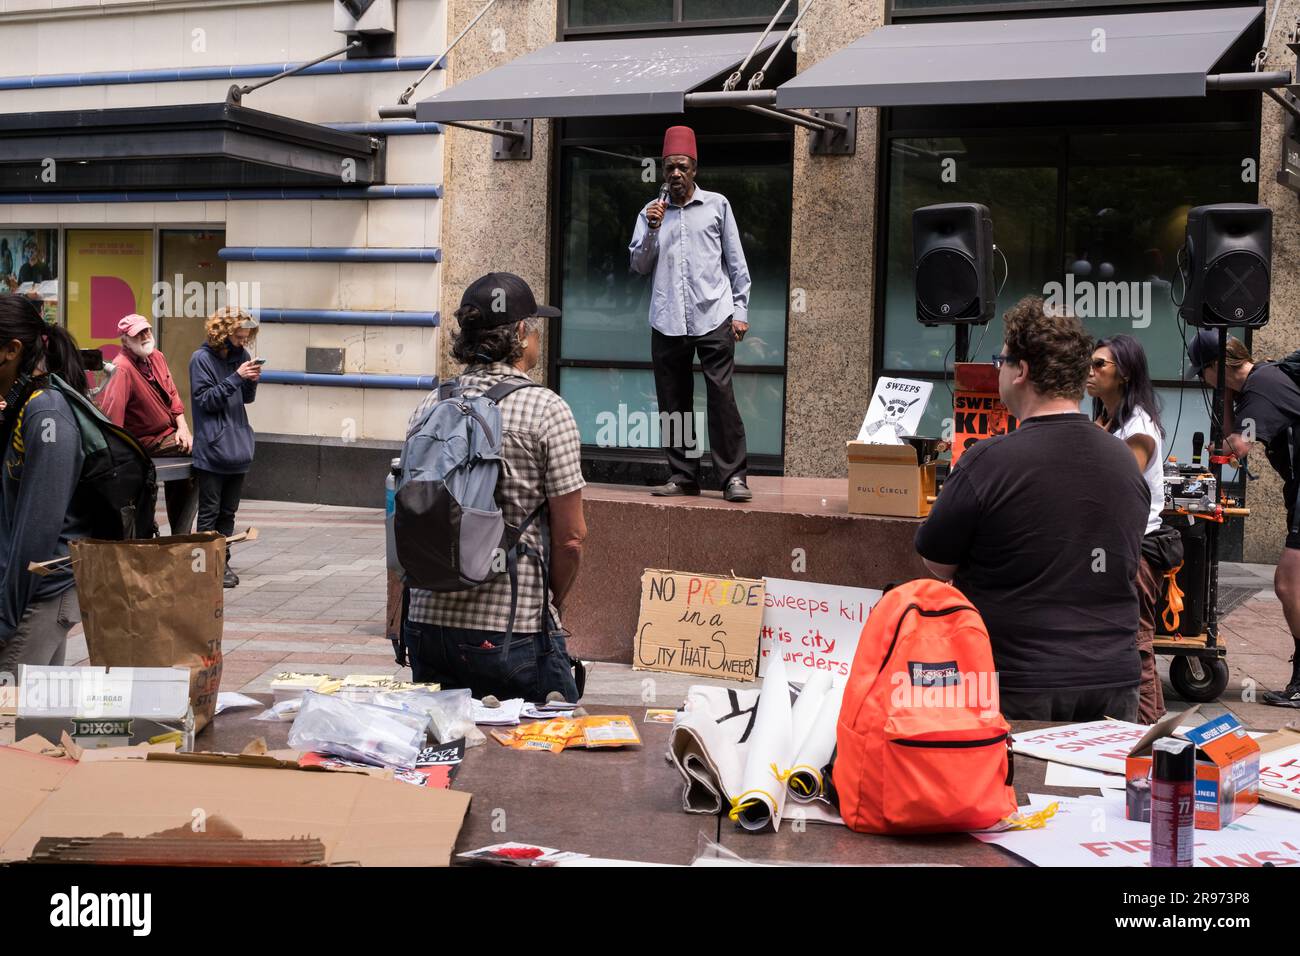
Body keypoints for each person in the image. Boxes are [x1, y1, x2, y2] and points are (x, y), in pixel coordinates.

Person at [914, 296, 1148, 721]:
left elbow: (937, 562)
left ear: (1020, 370)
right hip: (1115, 679)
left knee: (1013, 789)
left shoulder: (986, 461)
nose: (999, 369)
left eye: (1001, 360)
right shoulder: (1123, 461)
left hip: (1016, 681)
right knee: (1102, 789)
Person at [401, 273, 587, 702]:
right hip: (510, 630)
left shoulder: (431, 404)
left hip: (426, 623)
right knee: (540, 755)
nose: (538, 334)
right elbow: (572, 538)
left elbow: (408, 509)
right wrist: (551, 601)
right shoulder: (546, 408)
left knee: (447, 752)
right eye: (535, 325)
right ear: (521, 334)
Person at [629, 125, 753, 503]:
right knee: (673, 400)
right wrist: (651, 229)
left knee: (721, 396)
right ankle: (683, 476)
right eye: (669, 168)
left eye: (682, 167)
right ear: (663, 171)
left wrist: (741, 309)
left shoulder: (717, 205)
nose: (675, 175)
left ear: (694, 168)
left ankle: (732, 478)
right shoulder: (651, 213)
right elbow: (638, 264)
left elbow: (736, 263)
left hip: (713, 314)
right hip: (667, 319)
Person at [1189, 329, 1300, 707]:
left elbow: (1236, 449)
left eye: (1203, 373)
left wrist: (1227, 397)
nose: (1202, 381)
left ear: (1217, 368)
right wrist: (1228, 395)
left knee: (1288, 584)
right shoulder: (1259, 383)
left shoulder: (1263, 385)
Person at [0, 294, 91, 671]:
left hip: (36, 597)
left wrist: (5, 619)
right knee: (34, 724)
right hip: (30, 595)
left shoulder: (47, 411)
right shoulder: (23, 405)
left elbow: (38, 527)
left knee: (8, 721)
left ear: (10, 349)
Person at [1086, 334, 1169, 722]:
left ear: (1124, 374)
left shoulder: (1138, 427)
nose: (1090, 370)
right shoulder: (1109, 420)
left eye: (1100, 364)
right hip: (1115, 546)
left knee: (1137, 643)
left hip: (1135, 549)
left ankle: (1150, 730)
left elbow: (1120, 485)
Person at [97, 314, 198, 535]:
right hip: (146, 442)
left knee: (187, 473)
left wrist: (183, 428)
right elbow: (113, 420)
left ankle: (181, 536)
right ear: (125, 340)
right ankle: (185, 533)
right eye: (138, 334)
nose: (145, 336)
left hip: (170, 434)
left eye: (147, 331)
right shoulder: (121, 369)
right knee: (206, 451)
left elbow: (173, 394)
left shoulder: (157, 357)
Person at [190, 307, 259, 589]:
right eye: (239, 337)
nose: (244, 342)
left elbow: (245, 399)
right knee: (210, 511)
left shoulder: (240, 357)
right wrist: (236, 377)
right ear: (224, 333)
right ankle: (207, 566)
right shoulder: (200, 359)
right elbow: (206, 401)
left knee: (228, 512)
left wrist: (251, 381)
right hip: (213, 447)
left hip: (237, 445)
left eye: (246, 337)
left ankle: (223, 559)